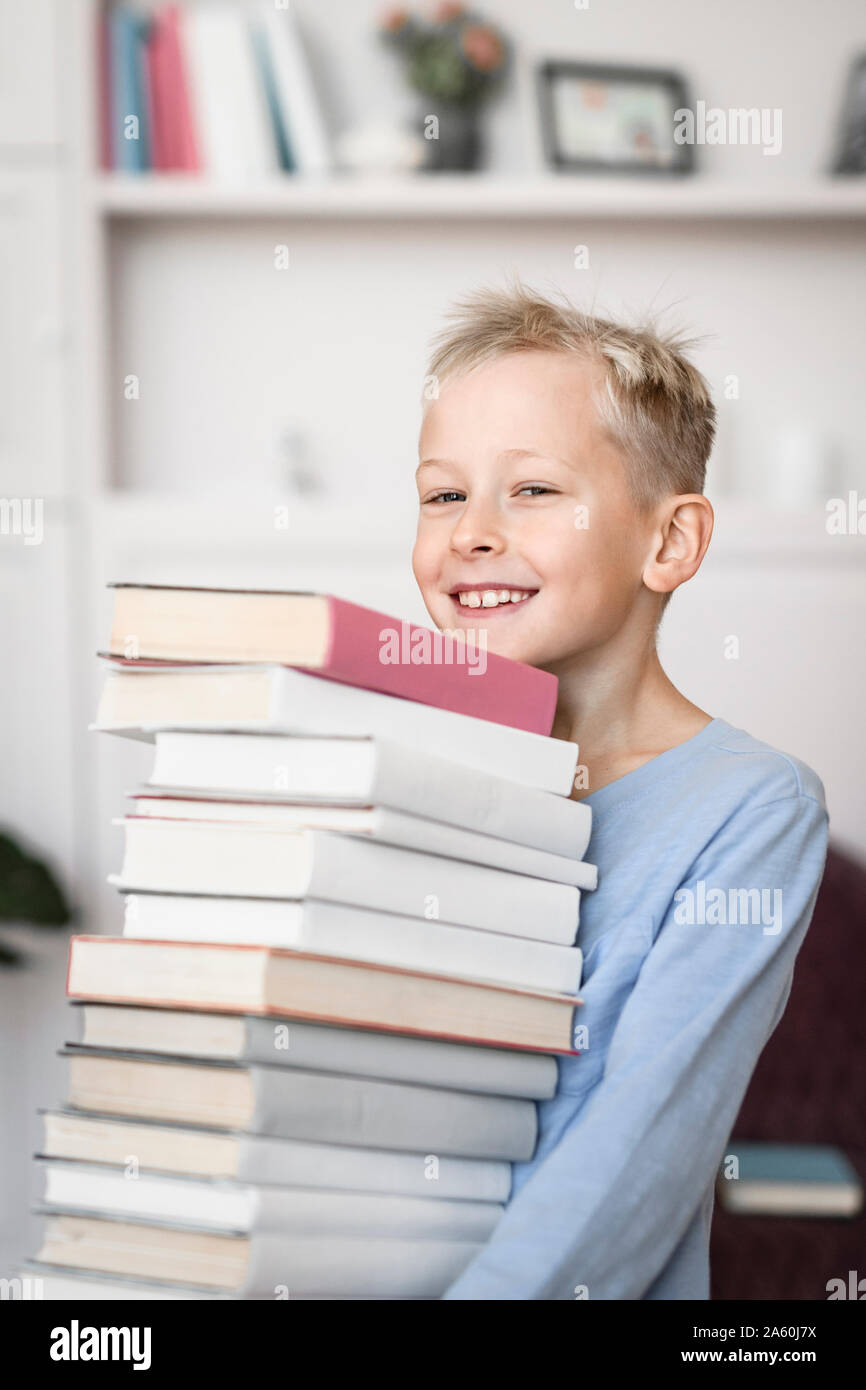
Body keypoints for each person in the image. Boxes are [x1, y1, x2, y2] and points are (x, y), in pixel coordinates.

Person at [411, 280, 829, 1299]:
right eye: (441, 493)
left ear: (668, 541)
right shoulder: (410, 773)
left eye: (533, 490)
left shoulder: (751, 809)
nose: (470, 531)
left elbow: (636, 1155)